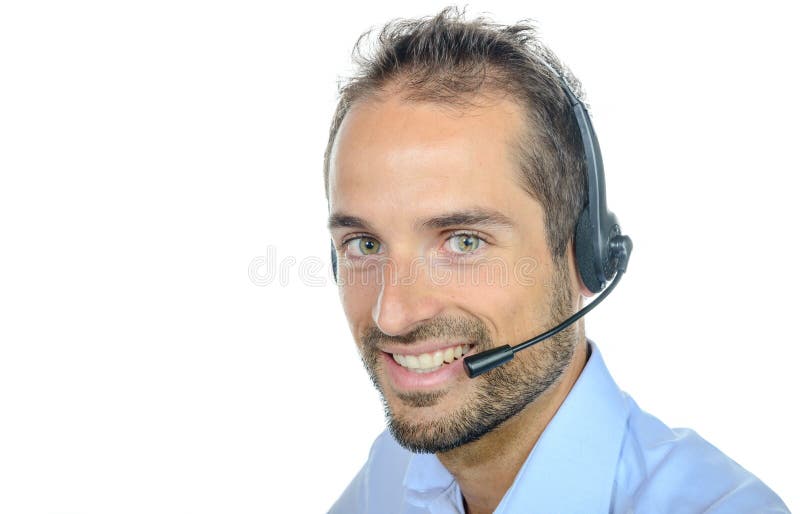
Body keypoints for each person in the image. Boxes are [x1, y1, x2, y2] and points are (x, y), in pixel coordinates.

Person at [323, 8, 788, 514]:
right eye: (365, 245)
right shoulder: (392, 477)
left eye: (463, 242)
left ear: (585, 254)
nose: (392, 313)